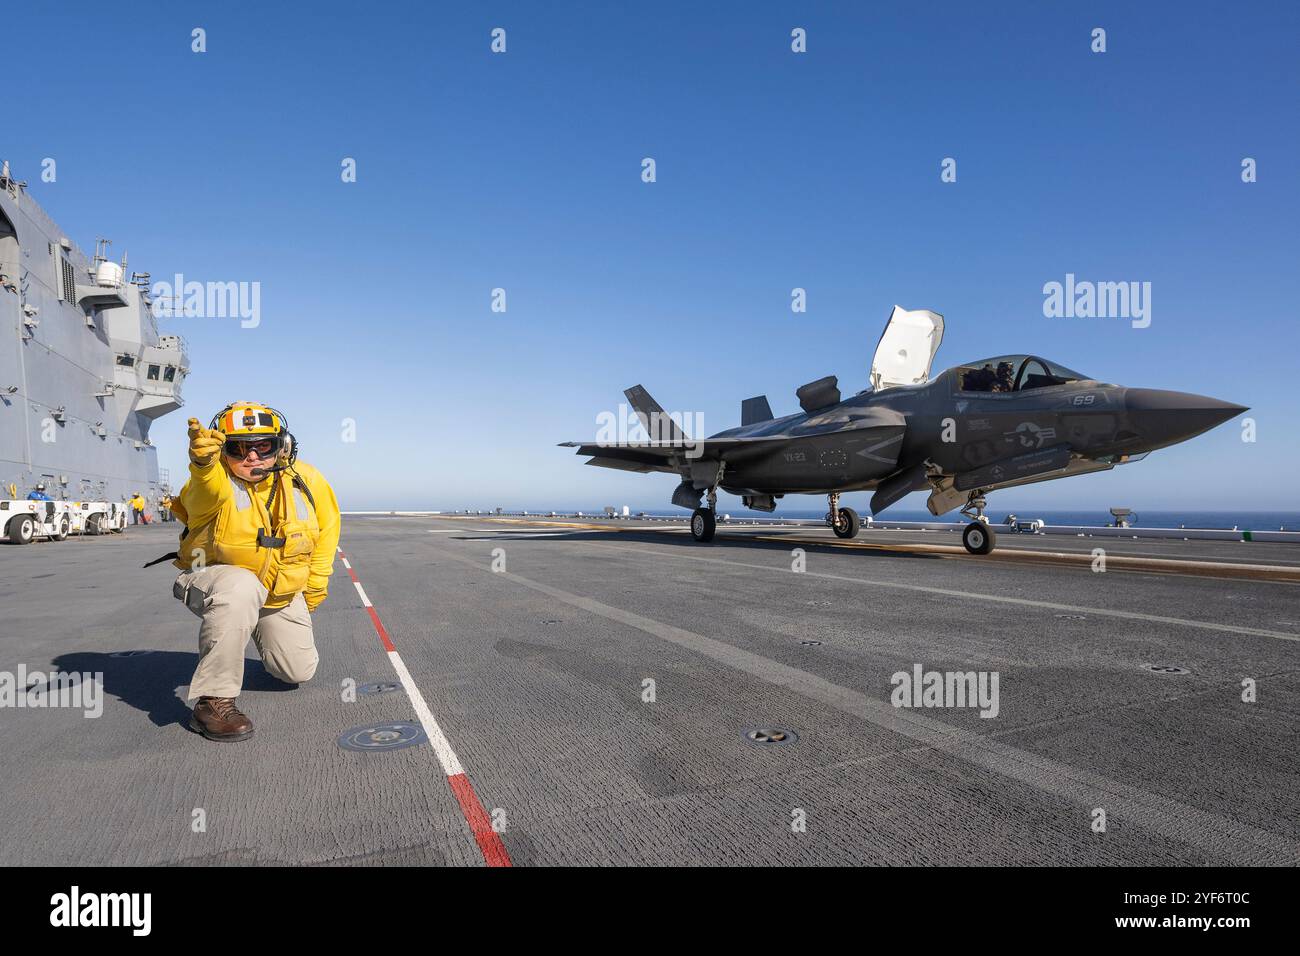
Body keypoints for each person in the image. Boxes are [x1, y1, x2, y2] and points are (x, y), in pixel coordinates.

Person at [168, 402, 340, 741]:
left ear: (283, 446)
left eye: (263, 446)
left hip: (276, 590)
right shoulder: (211, 479)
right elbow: (202, 496)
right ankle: (212, 701)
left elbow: (326, 538)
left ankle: (245, 635)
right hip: (212, 578)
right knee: (240, 589)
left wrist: (314, 592)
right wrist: (203, 466)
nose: (252, 457)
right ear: (222, 450)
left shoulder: (308, 481)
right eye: (239, 448)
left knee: (296, 671)